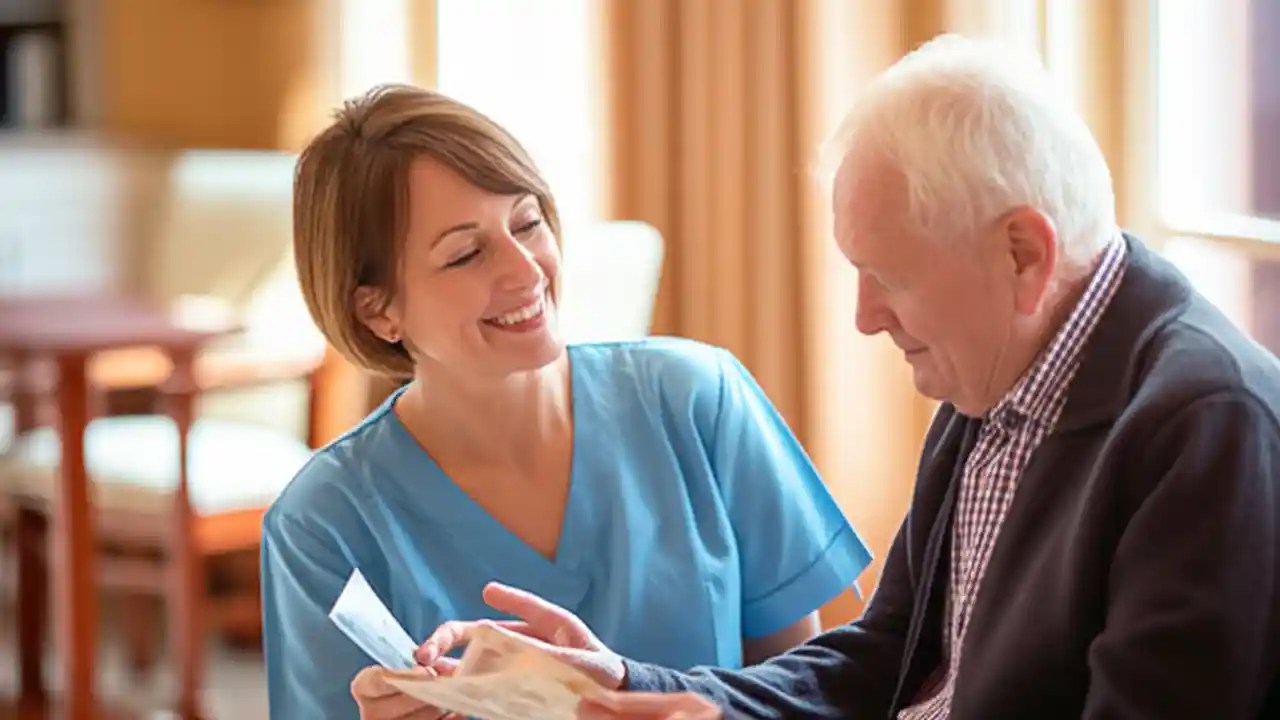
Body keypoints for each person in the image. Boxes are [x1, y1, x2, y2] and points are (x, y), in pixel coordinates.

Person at [413, 34, 1280, 720]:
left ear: (1023, 253)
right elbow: (888, 655)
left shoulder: (1204, 427)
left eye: (890, 278)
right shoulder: (1000, 367)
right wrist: (633, 685)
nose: (866, 316)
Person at [259, 84, 874, 719]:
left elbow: (801, 695)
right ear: (378, 309)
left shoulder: (699, 401)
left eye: (528, 222)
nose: (526, 270)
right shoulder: (321, 524)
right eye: (467, 254)